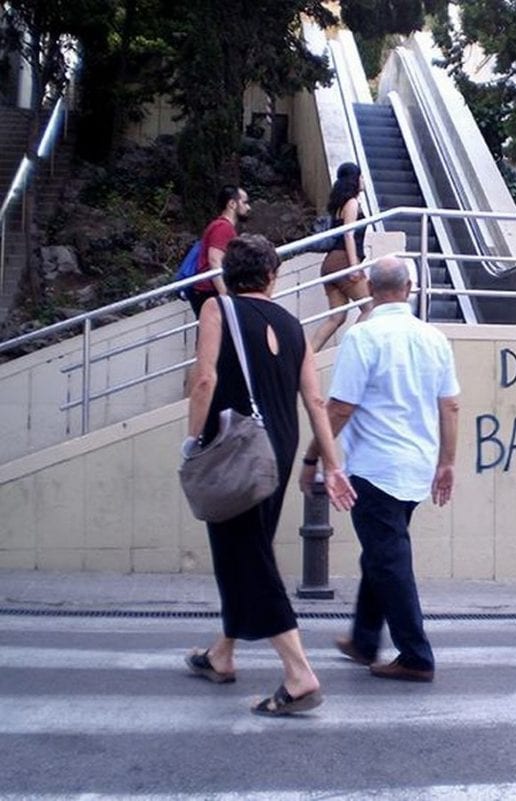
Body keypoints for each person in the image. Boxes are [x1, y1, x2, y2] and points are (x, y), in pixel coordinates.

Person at [184, 234, 356, 716]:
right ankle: (223, 654)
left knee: (247, 555)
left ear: (229, 275)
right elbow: (316, 401)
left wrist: (191, 443)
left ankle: (299, 673)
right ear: (273, 276)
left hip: (233, 448)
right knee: (247, 548)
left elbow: (204, 380)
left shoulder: (219, 310)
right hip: (276, 451)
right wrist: (333, 464)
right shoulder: (294, 326)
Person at [300, 256, 460, 683]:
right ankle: (365, 639)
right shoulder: (434, 338)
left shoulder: (363, 337)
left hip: (373, 466)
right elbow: (450, 405)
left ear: (370, 290)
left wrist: (314, 457)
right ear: (409, 288)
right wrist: (447, 461)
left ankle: (415, 654)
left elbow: (338, 409)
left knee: (389, 557)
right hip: (416, 467)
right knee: (383, 550)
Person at [310, 162, 369, 352]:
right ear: (355, 179)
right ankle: (349, 350)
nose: (363, 180)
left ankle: (308, 356)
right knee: (372, 307)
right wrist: (354, 267)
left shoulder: (338, 206)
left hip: (330, 263)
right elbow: (349, 234)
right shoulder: (352, 203)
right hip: (344, 261)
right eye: (361, 176)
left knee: (337, 317)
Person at [187, 186, 251, 318]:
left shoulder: (221, 226)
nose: (248, 207)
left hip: (205, 292)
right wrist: (225, 295)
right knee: (217, 334)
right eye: (244, 202)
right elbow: (214, 260)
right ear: (232, 204)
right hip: (209, 291)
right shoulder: (223, 228)